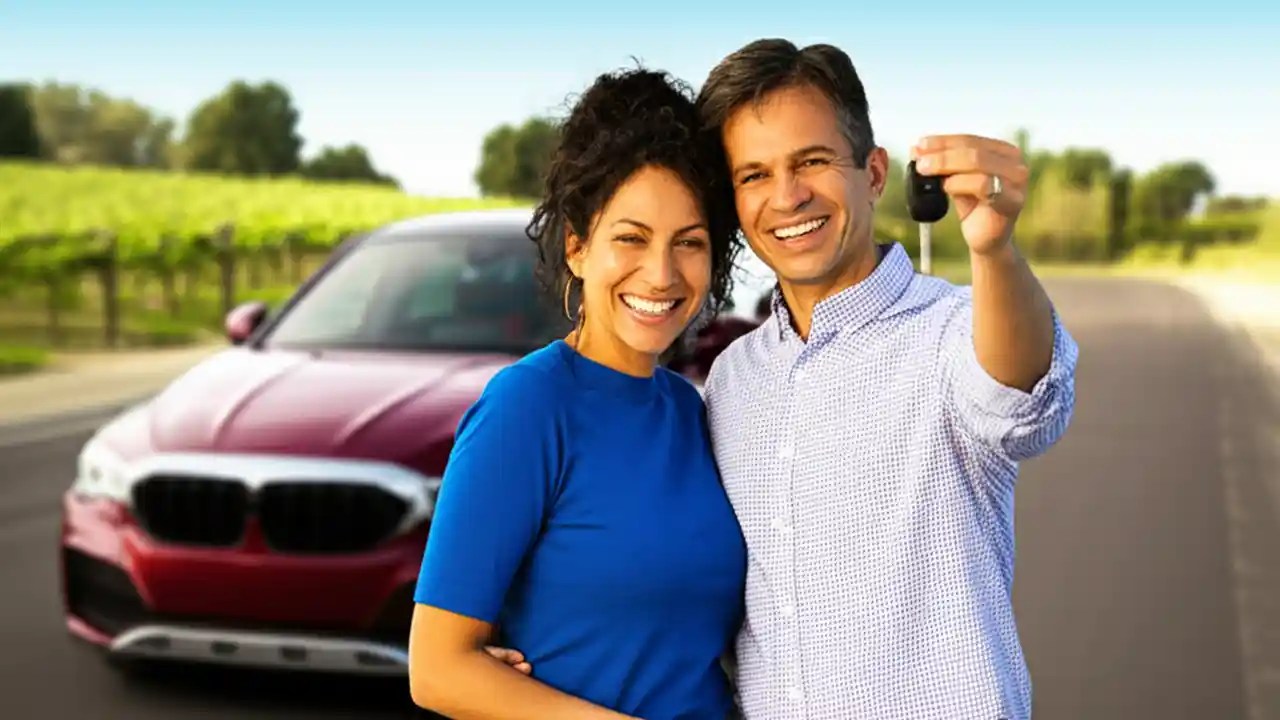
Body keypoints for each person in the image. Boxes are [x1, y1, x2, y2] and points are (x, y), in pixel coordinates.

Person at [692, 39, 1079, 719]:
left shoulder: (953, 329)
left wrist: (994, 249)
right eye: (754, 175)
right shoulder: (731, 380)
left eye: (811, 161)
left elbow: (1020, 403)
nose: (786, 197)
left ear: (873, 173)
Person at [407, 67, 747, 719]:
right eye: (631, 238)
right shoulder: (526, 408)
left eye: (690, 243)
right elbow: (437, 668)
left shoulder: (689, 410)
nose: (663, 273)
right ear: (577, 246)